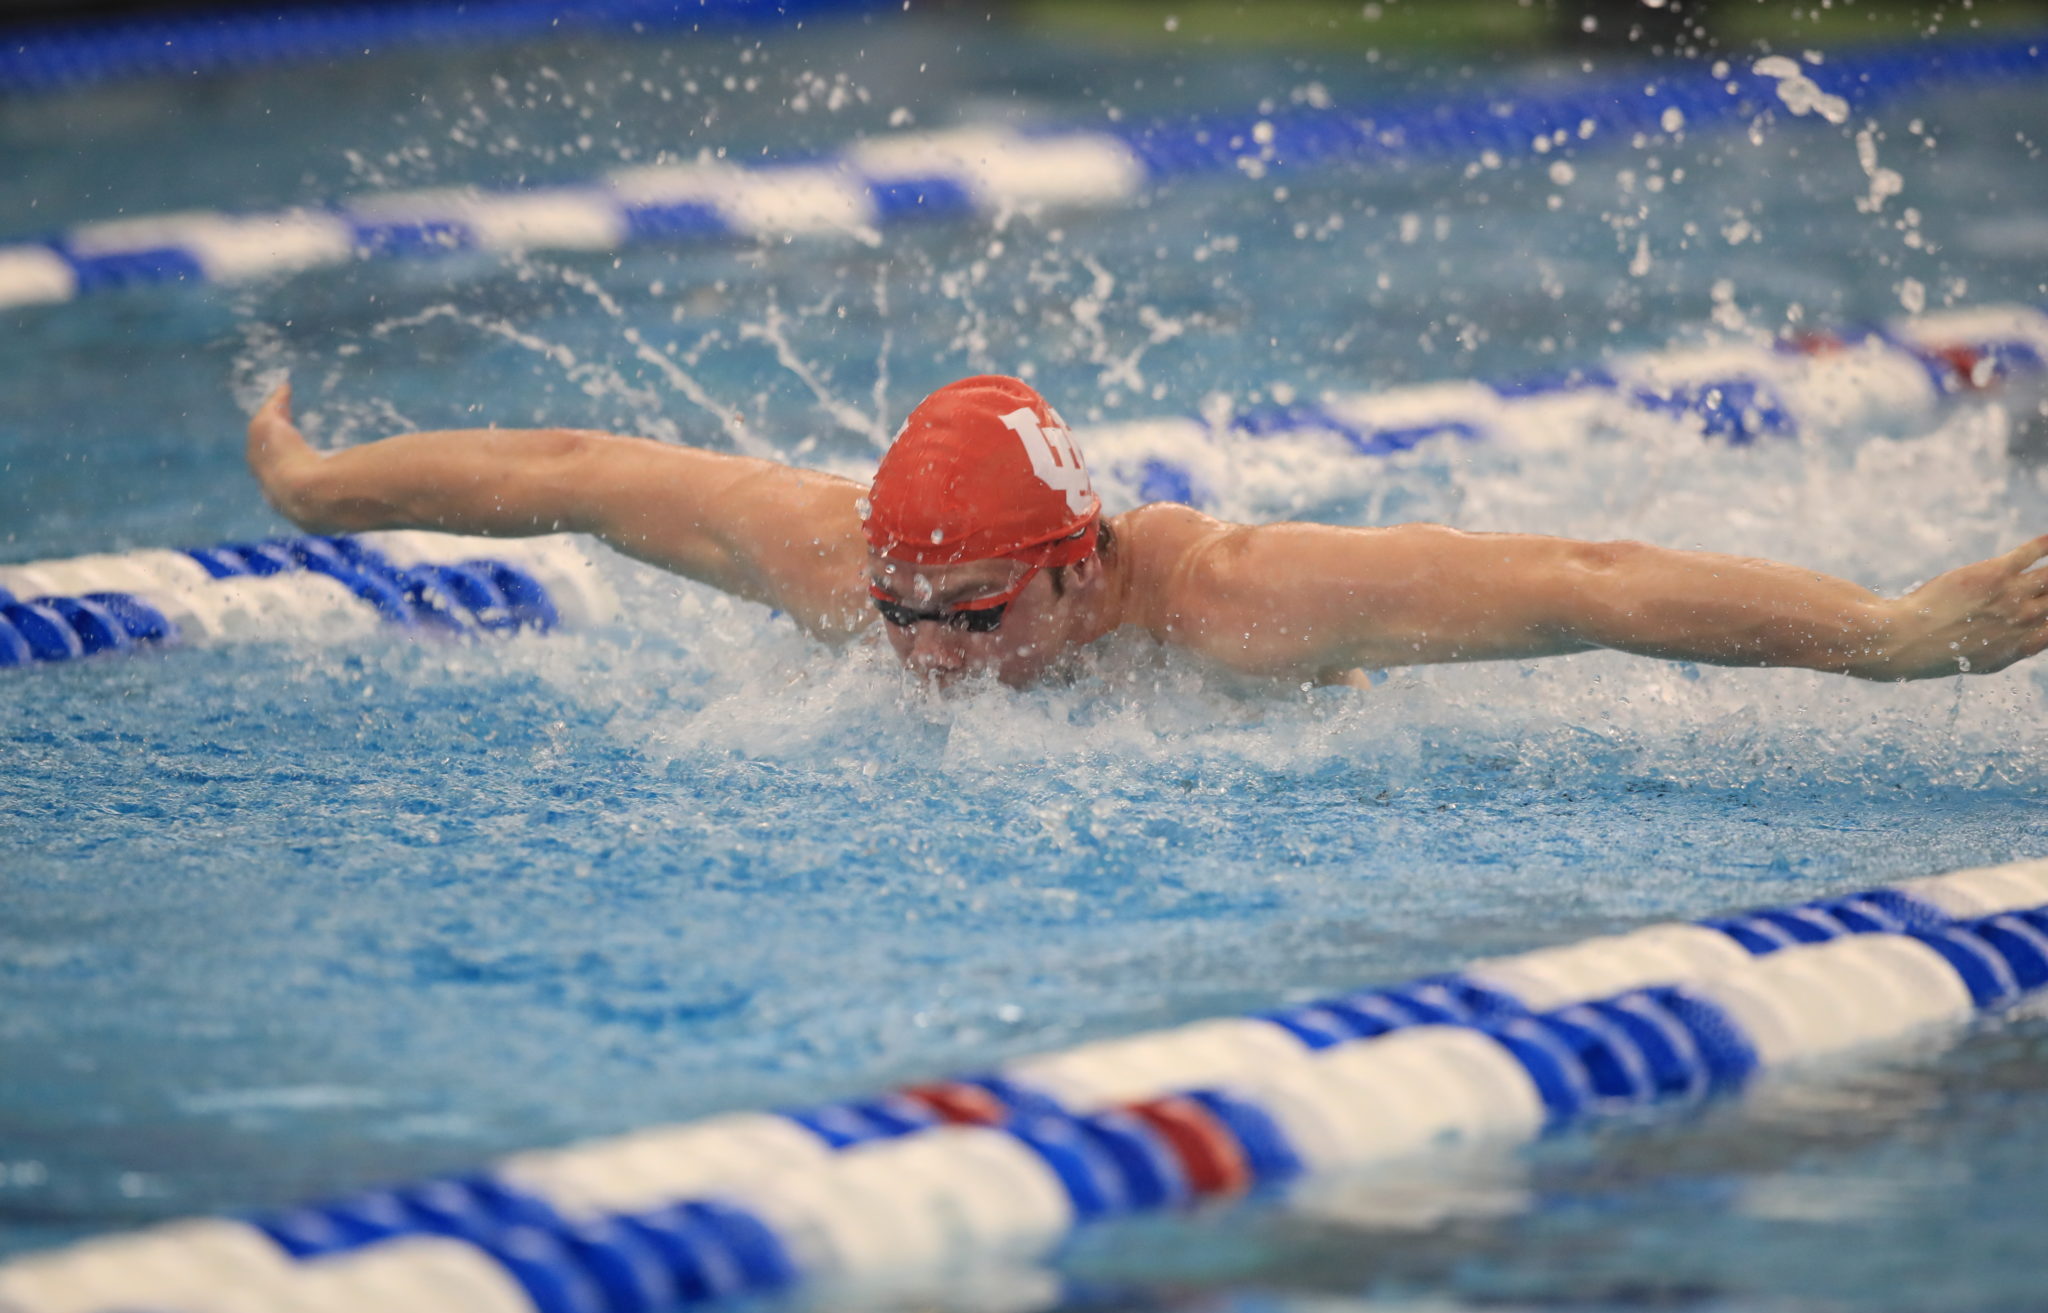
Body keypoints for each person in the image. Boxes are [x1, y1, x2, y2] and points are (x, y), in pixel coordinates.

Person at [245, 373, 2048, 691]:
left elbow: (1585, 588)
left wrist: (1897, 629)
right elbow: (570, 465)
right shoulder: (846, 565)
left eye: (965, 613)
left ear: (1078, 562)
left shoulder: (1233, 604)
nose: (926, 654)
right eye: (903, 613)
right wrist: (324, 492)